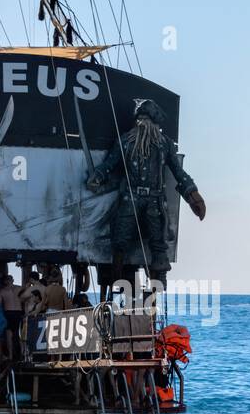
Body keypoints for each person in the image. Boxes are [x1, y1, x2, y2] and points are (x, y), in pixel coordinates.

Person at [86, 97, 206, 289]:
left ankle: (158, 279)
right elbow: (110, 163)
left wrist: (192, 194)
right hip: (130, 199)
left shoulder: (163, 144)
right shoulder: (126, 141)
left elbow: (177, 172)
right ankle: (117, 277)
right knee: (120, 240)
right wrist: (98, 176)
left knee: (158, 244)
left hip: (153, 202)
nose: (143, 123)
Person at [0, 271, 21, 362]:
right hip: (18, 312)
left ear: (5, 281)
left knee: (9, 335)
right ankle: (22, 354)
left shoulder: (2, 291)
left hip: (8, 313)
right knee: (19, 335)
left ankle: (11, 355)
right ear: (13, 280)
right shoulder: (19, 288)